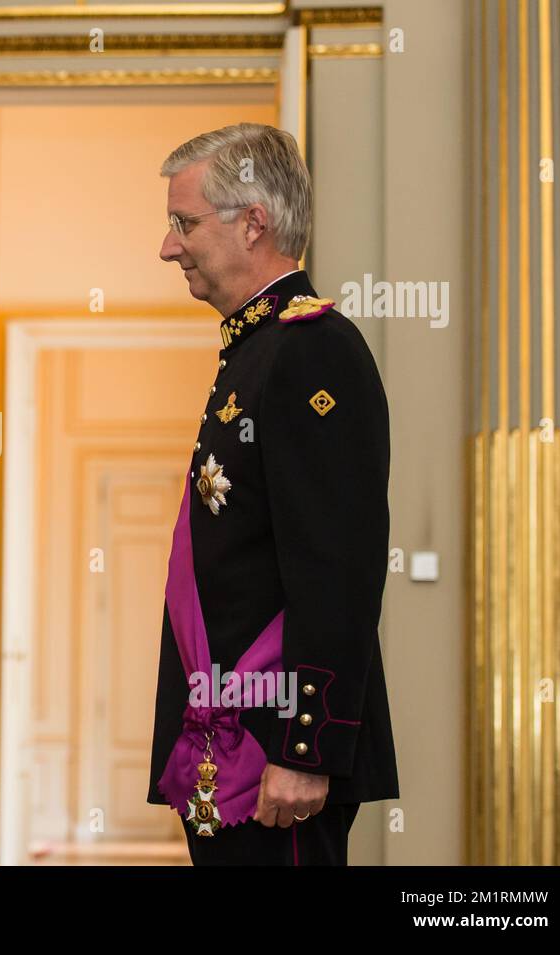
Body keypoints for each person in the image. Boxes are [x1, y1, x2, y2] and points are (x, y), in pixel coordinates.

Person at [146, 123, 399, 866]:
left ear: (253, 222)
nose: (169, 247)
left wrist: (307, 748)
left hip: (274, 752)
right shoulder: (258, 352)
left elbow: (336, 568)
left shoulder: (311, 351)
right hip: (234, 737)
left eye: (183, 223)